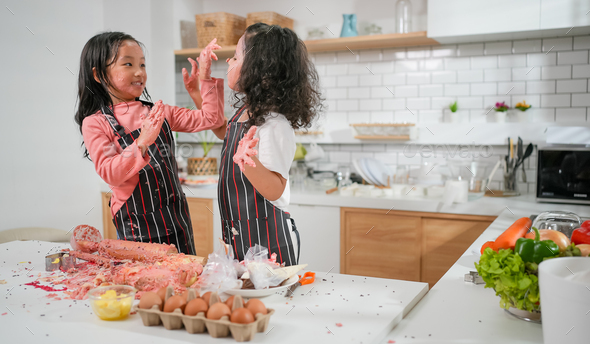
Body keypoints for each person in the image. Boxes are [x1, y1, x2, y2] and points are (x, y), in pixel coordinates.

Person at [75, 31, 225, 255]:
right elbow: (110, 173)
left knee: (184, 280)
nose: (139, 72)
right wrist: (142, 141)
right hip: (136, 226)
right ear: (98, 75)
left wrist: (204, 79)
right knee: (147, 283)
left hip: (176, 219)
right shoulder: (95, 123)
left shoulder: (158, 111)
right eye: (128, 64)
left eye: (142, 65)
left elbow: (212, 119)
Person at [213, 23, 323, 266]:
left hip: (267, 243)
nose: (230, 62)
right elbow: (223, 131)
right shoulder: (245, 112)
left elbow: (275, 189)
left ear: (261, 70)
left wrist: (248, 162)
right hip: (239, 235)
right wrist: (200, 90)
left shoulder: (274, 125)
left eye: (237, 56)